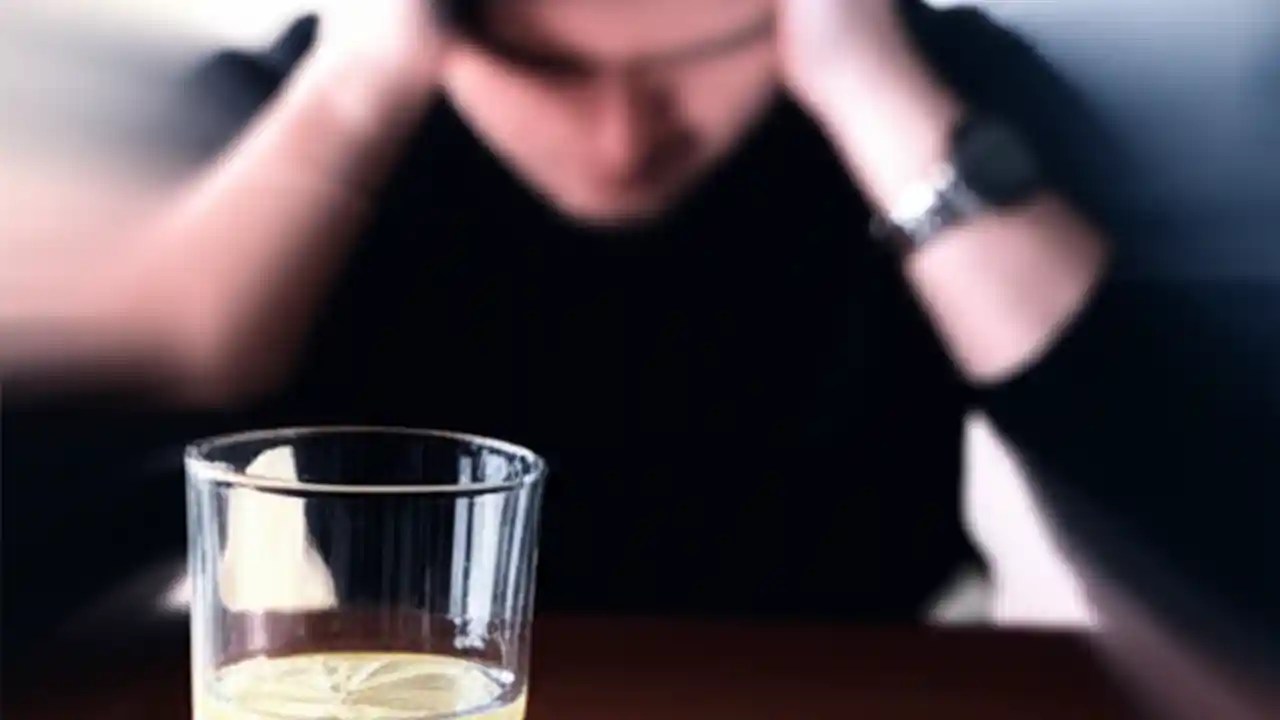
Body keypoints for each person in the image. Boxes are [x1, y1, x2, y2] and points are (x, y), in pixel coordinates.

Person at [2, 0, 1276, 682]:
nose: (623, 140)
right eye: (541, 58)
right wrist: (347, 100)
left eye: (705, 38)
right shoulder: (291, 116)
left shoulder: (944, 100)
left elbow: (1224, 564)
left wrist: (871, 92)